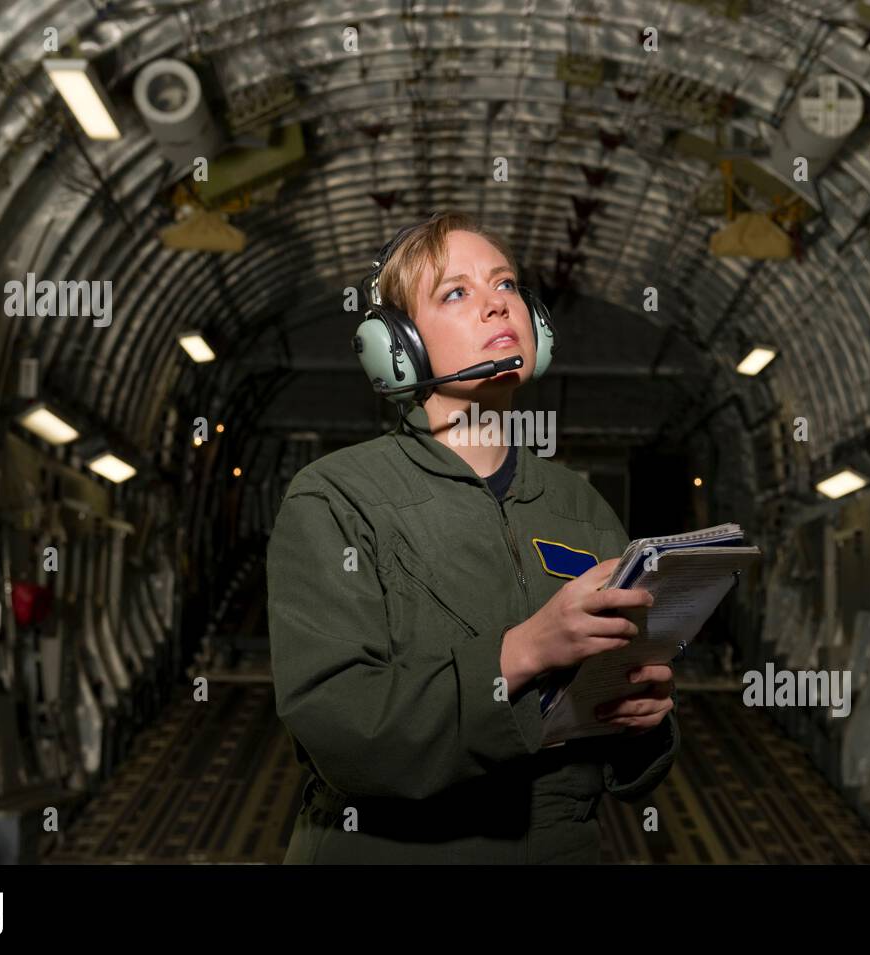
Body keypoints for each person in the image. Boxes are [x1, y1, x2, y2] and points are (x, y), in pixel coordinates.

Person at [267, 210, 680, 864]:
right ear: (395, 347)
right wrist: (521, 651)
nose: (496, 305)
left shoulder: (580, 505)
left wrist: (642, 721)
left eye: (507, 285)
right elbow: (344, 731)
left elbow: (610, 728)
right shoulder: (338, 499)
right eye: (456, 292)